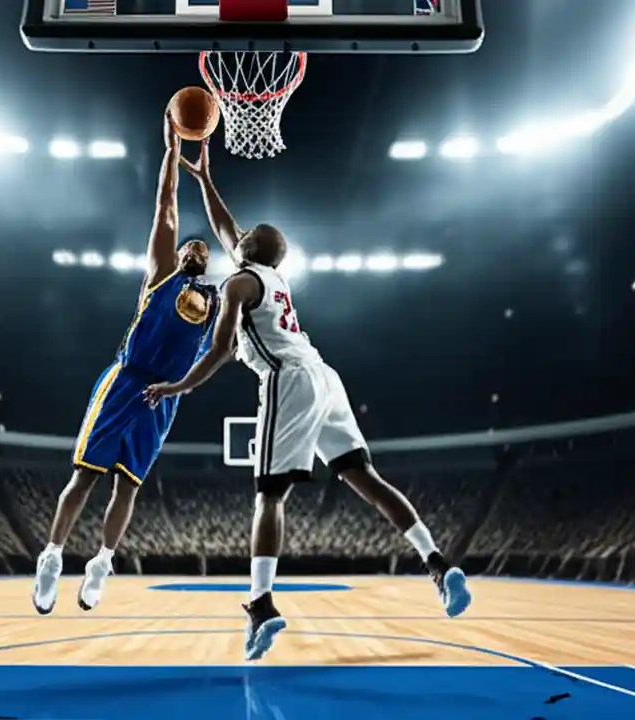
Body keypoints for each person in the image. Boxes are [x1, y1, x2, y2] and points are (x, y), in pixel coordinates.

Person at [143, 140, 471, 661]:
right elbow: (228, 227)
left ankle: (262, 604)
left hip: (289, 381)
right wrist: (204, 178)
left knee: (268, 496)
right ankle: (439, 563)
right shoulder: (268, 277)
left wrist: (179, 385)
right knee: (367, 479)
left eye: (247, 237)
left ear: (251, 251)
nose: (239, 235)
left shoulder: (238, 285)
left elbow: (224, 348)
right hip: (325, 376)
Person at [33, 113, 218, 614]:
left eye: (204, 247)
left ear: (208, 262)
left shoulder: (220, 302)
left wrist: (211, 181)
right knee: (84, 478)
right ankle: (52, 557)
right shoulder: (161, 275)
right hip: (126, 380)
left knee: (128, 485)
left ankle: (101, 563)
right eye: (188, 243)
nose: (195, 246)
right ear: (179, 254)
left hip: (164, 397)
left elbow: (220, 353)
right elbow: (166, 204)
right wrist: (172, 153)